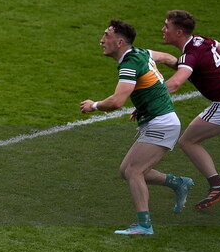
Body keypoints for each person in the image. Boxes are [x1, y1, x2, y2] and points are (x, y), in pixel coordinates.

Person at [80, 20, 194, 235]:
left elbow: (116, 102)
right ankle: (179, 183)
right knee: (126, 171)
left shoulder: (129, 64)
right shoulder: (141, 53)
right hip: (158, 119)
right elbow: (168, 59)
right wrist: (186, 70)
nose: (101, 40)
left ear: (120, 42)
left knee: (134, 171)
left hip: (162, 123)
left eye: (106, 36)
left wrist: (93, 105)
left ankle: (144, 225)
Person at [150, 10, 220, 211]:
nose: (163, 29)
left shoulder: (189, 55)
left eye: (167, 26)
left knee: (187, 141)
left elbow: (175, 84)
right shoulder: (203, 41)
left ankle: (217, 185)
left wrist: (147, 100)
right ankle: (217, 186)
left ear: (179, 32)